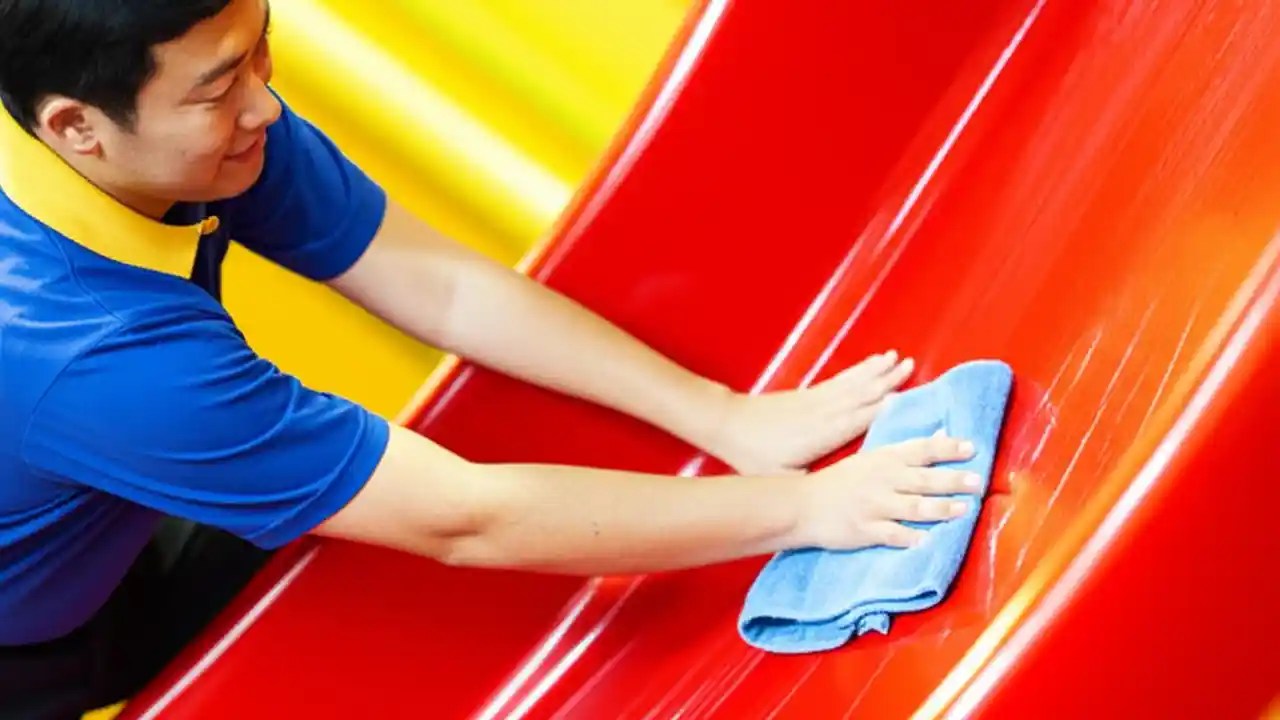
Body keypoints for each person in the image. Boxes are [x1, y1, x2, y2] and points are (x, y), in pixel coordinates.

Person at [0, 0, 979, 716]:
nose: (263, 104)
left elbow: (435, 282)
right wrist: (805, 510)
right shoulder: (92, 349)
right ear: (76, 128)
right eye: (220, 89)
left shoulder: (185, 133)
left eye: (261, 51)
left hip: (94, 537)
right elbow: (464, 519)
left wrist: (724, 416)